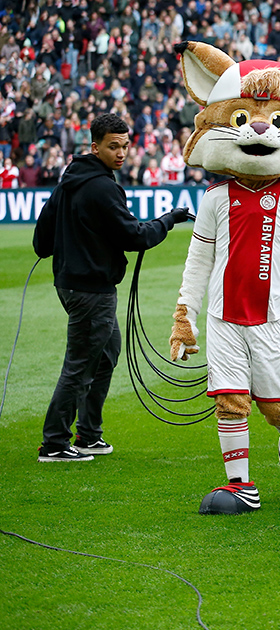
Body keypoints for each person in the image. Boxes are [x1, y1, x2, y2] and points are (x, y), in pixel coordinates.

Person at [33, 113, 190, 462]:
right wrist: (169, 220)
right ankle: (56, 442)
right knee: (81, 363)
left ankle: (88, 434)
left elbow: (40, 243)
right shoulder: (103, 186)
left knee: (106, 354)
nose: (121, 153)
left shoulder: (67, 180)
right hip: (92, 290)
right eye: (113, 146)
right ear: (95, 147)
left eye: (124, 146)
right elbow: (135, 236)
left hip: (73, 286)